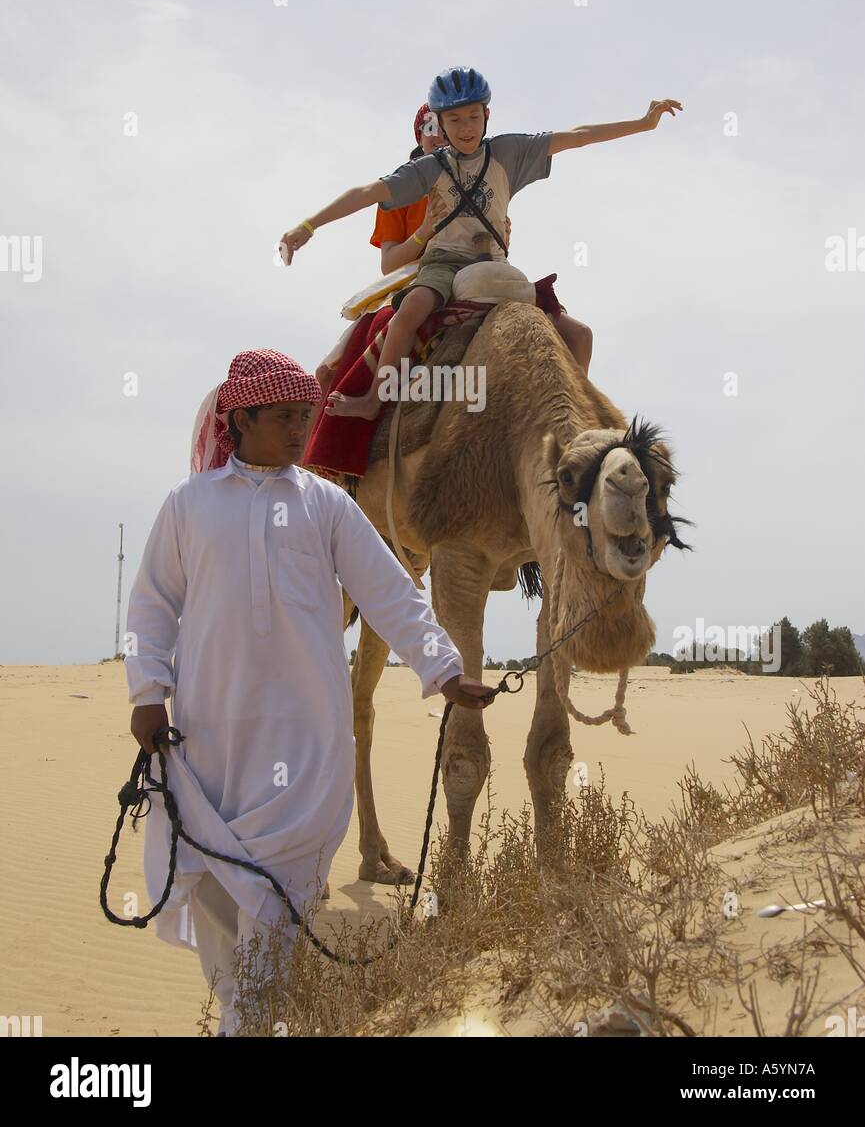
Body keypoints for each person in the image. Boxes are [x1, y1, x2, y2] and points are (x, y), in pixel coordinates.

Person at [124, 348, 496, 1035]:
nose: (303, 430)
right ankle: (246, 1010)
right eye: (287, 417)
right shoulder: (187, 506)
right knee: (212, 878)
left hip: (308, 737)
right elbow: (151, 606)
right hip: (208, 735)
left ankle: (252, 1019)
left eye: (307, 415)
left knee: (283, 882)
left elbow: (391, 593)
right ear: (240, 419)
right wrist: (147, 691)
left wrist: (442, 669)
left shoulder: (325, 504)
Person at [281, 67, 681, 417]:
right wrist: (309, 225)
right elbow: (368, 190)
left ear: (487, 115)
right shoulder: (428, 168)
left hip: (494, 264)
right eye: (455, 120)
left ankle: (575, 413)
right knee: (413, 306)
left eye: (474, 116)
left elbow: (577, 136)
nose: (466, 127)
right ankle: (373, 400)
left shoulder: (509, 152)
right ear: (439, 122)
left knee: (580, 335)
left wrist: (642, 124)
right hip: (444, 262)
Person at [371, 103, 594, 372]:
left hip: (483, 268)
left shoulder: (483, 175)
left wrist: (501, 239)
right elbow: (389, 265)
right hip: (424, 274)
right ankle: (374, 398)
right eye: (430, 127)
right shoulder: (399, 188)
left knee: (576, 334)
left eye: (446, 127)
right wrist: (425, 231)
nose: (439, 135)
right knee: (363, 339)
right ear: (418, 136)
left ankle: (578, 407)